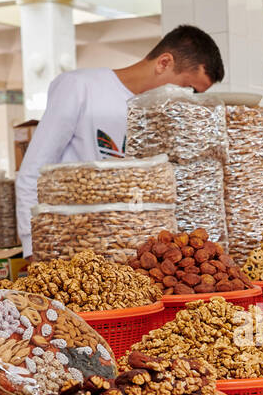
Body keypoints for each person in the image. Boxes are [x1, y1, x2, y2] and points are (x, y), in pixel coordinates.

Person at [14, 25, 224, 256]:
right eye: (187, 88)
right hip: (78, 248)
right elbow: (33, 172)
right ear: (164, 63)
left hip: (136, 253)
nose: (186, 98)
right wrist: (31, 248)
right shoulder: (80, 87)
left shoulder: (160, 114)